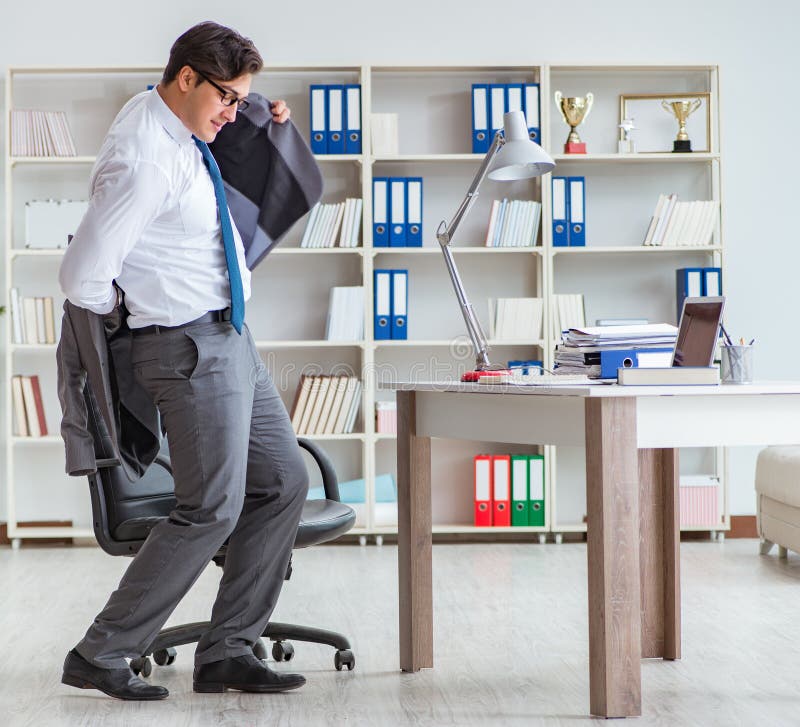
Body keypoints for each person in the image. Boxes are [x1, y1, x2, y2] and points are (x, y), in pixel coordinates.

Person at [58, 21, 310, 700]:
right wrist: (149, 306)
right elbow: (82, 276)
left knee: (284, 480)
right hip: (189, 346)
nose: (234, 112)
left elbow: (222, 120)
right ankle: (101, 649)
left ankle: (227, 648)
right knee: (211, 508)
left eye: (241, 99)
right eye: (227, 97)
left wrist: (259, 115)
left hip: (232, 337)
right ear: (188, 78)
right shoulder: (145, 159)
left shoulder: (172, 114)